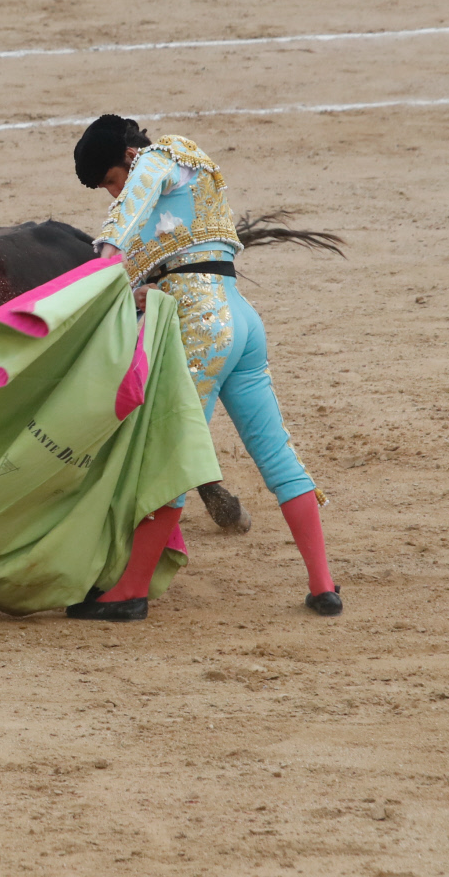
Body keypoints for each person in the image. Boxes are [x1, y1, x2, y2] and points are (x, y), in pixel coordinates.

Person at [70, 115, 342, 620]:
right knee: (274, 450)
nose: (113, 193)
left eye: (110, 180)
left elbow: (130, 209)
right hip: (240, 316)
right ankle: (322, 585)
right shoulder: (184, 189)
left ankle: (131, 591)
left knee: (172, 454)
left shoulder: (160, 158)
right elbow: (136, 279)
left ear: (128, 155)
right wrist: (131, 290)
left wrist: (106, 255)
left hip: (204, 327)